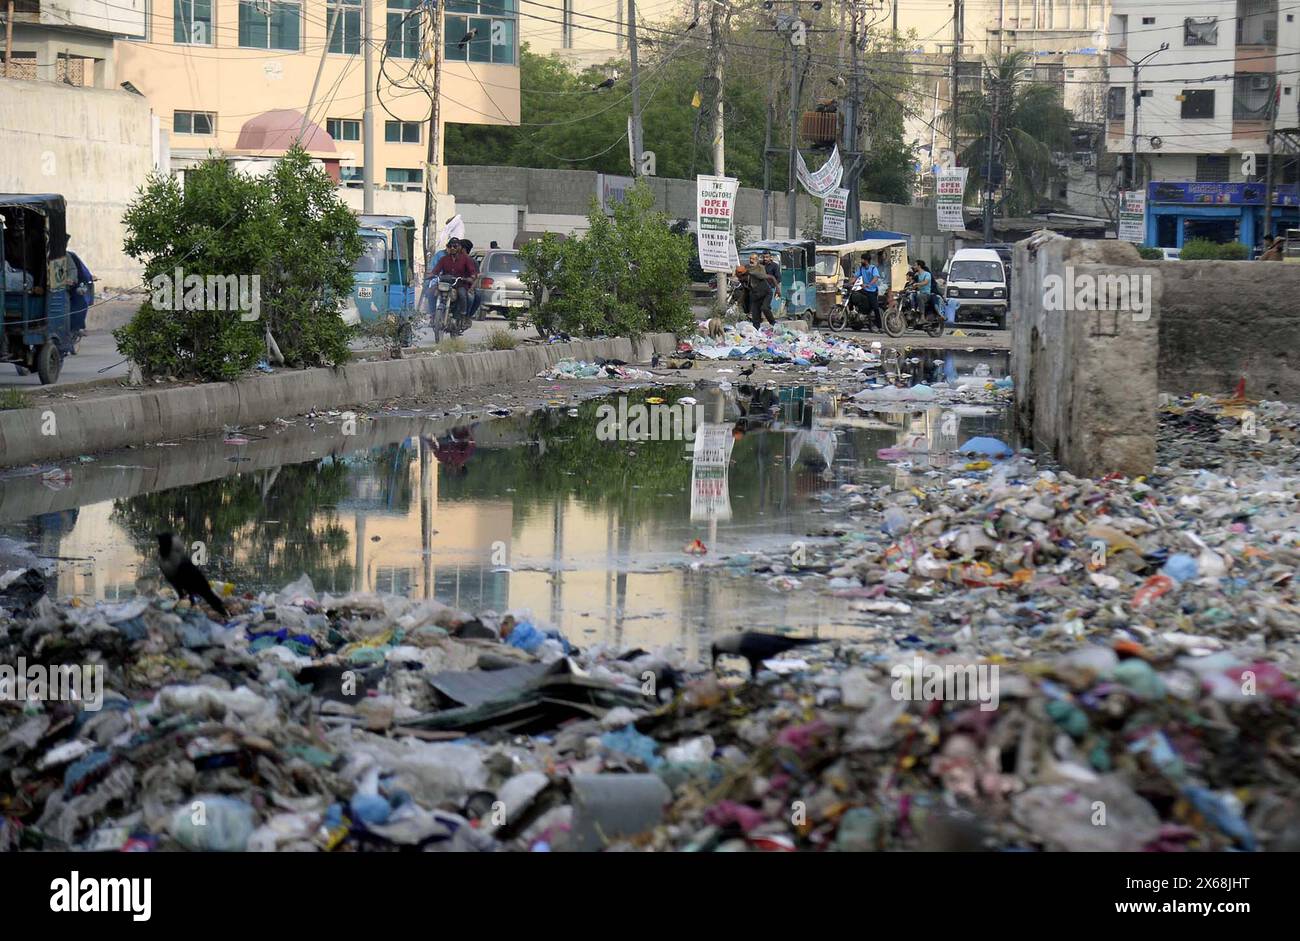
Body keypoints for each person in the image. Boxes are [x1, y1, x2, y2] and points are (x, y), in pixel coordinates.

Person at [428, 238, 479, 322]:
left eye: (455, 246)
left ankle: (463, 316)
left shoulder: (466, 259)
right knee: (430, 292)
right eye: (450, 246)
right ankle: (433, 315)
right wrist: (430, 275)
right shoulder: (443, 259)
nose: (452, 248)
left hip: (460, 284)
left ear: (459, 247)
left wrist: (471, 277)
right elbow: (436, 270)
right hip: (444, 284)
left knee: (462, 294)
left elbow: (472, 272)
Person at [745, 252, 779, 328]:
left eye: (753, 259)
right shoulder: (747, 267)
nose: (751, 260)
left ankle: (774, 324)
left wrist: (777, 289)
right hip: (755, 294)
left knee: (765, 308)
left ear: (757, 260)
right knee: (755, 317)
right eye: (750, 258)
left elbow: (761, 276)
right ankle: (756, 333)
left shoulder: (761, 268)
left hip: (765, 292)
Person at [850, 252, 883, 331]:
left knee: (875, 308)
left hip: (872, 290)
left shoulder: (873, 268)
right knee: (853, 295)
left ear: (866, 260)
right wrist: (849, 283)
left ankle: (880, 326)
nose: (861, 261)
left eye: (862, 260)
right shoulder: (861, 268)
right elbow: (855, 277)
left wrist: (869, 284)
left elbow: (875, 278)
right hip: (864, 289)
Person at [760, 250, 782, 321]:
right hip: (760, 288)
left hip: (770, 288)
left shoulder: (775, 266)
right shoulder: (760, 265)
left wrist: (773, 286)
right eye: (764, 257)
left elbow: (778, 278)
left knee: (767, 305)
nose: (765, 259)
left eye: (767, 257)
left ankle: (768, 319)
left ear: (770, 257)